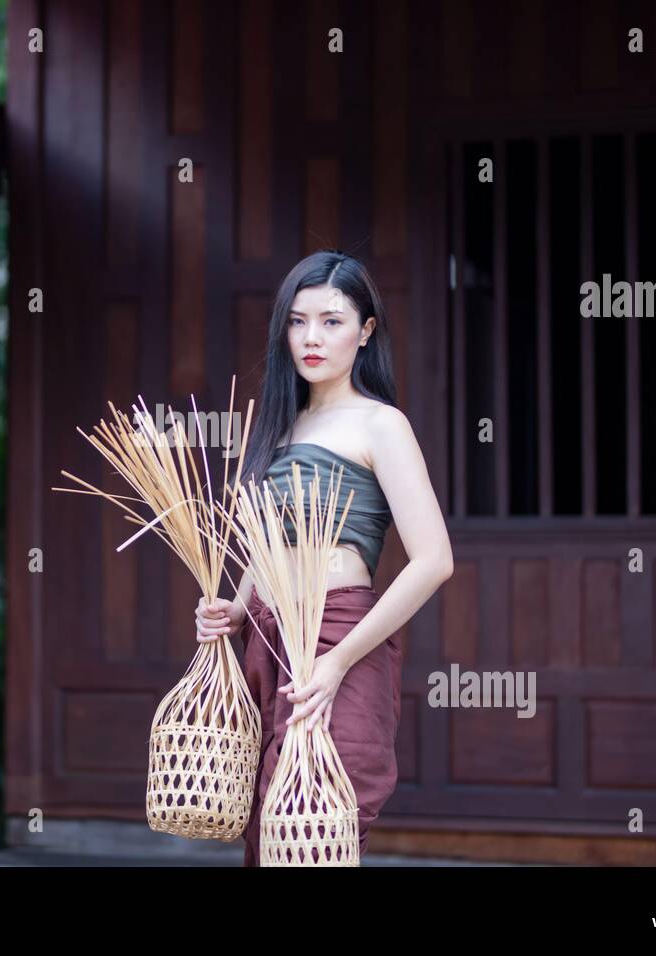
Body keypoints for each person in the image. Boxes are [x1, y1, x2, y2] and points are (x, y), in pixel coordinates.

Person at [195, 250, 453, 866]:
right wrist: (234, 607)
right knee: (268, 830)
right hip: (269, 635)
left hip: (340, 635)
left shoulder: (380, 424)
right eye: (298, 320)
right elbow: (269, 538)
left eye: (332, 321)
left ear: (365, 332)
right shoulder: (281, 427)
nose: (311, 337)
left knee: (316, 826)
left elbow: (434, 560)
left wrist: (338, 660)